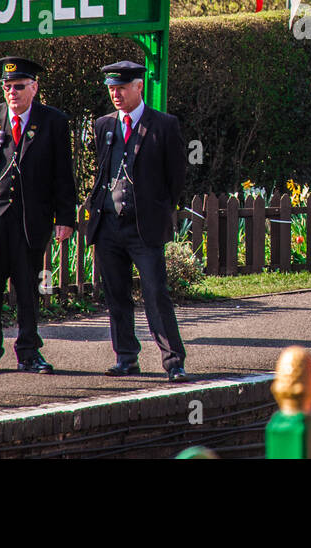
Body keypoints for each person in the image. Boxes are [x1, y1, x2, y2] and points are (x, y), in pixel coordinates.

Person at [0, 56, 76, 374]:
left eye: (19, 86)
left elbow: (64, 175)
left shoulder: (53, 122)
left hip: (28, 221)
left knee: (27, 289)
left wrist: (65, 217)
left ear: (34, 88)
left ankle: (29, 352)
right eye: (7, 87)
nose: (12, 93)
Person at [83, 60, 189, 382]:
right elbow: (101, 171)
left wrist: (157, 209)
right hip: (108, 227)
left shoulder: (164, 125)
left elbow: (177, 179)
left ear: (139, 86)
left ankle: (173, 362)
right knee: (116, 295)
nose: (116, 94)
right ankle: (126, 358)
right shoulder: (104, 126)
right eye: (112, 89)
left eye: (122, 88)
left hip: (144, 229)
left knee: (156, 293)